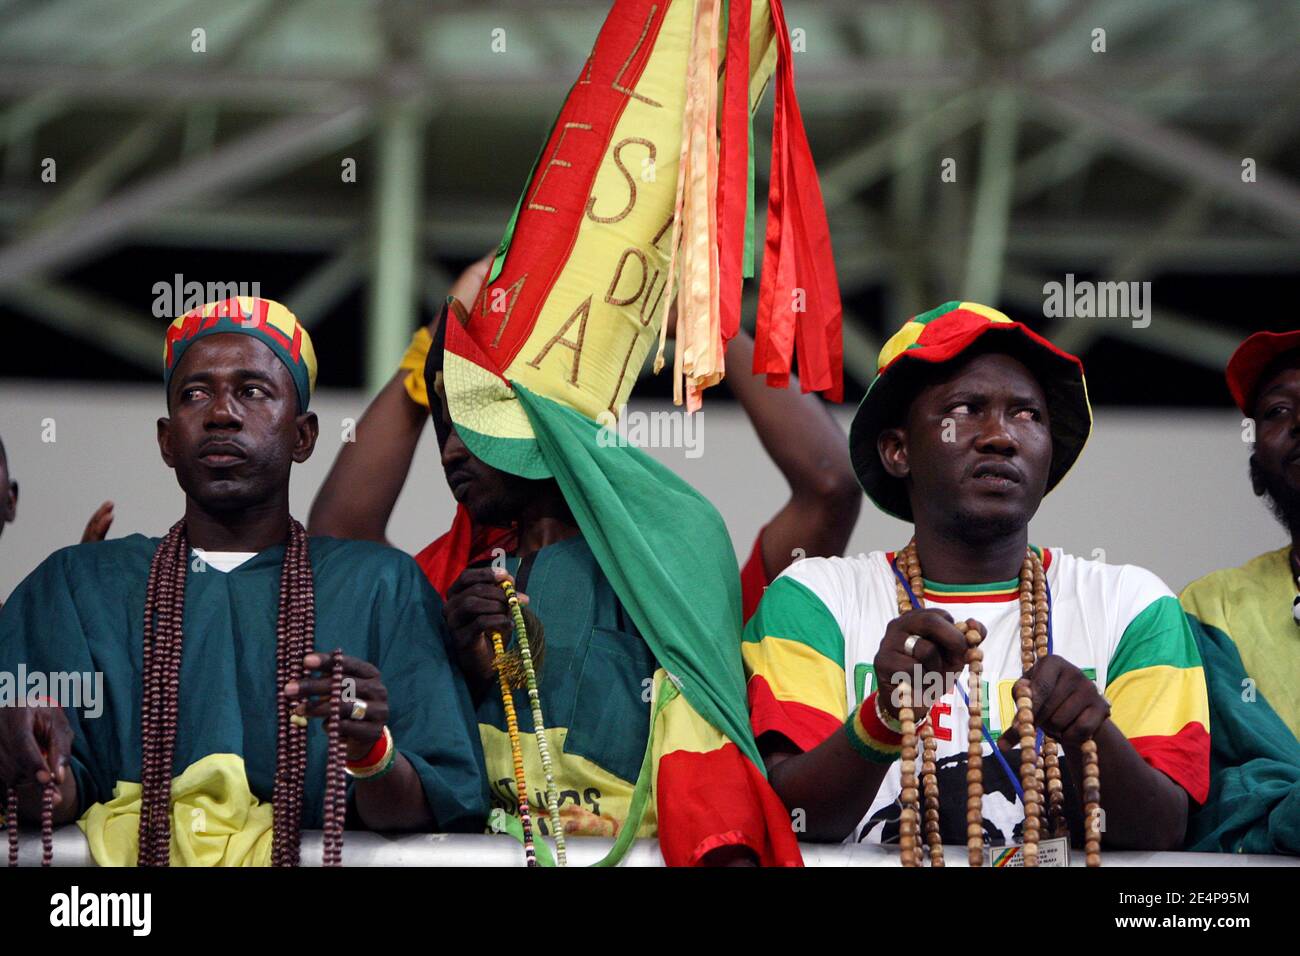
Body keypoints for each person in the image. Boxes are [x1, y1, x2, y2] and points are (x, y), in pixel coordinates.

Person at [0, 297, 487, 866]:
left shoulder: (382, 585)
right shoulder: (76, 585)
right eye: (195, 394)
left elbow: (438, 810)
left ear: (303, 436)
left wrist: (369, 748)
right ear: (166, 440)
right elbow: (46, 798)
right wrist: (29, 766)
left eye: (253, 391)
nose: (221, 413)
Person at [742, 302, 1210, 851]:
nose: (1002, 436)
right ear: (897, 450)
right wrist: (884, 716)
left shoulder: (1134, 605)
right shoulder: (814, 598)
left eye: (1028, 414)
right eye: (966, 408)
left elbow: (1165, 832)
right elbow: (788, 814)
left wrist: (1094, 736)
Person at [308, 258, 860, 622]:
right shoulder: (452, 586)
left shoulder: (677, 583)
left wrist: (711, 331)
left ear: (558, 417)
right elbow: (339, 538)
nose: (450, 446)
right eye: (442, 419)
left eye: (479, 413)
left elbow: (830, 485)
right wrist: (436, 343)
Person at [1179, 330, 1300, 854]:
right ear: (1256, 472)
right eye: (1276, 411)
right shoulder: (1209, 608)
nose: (1299, 423)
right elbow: (1203, 799)